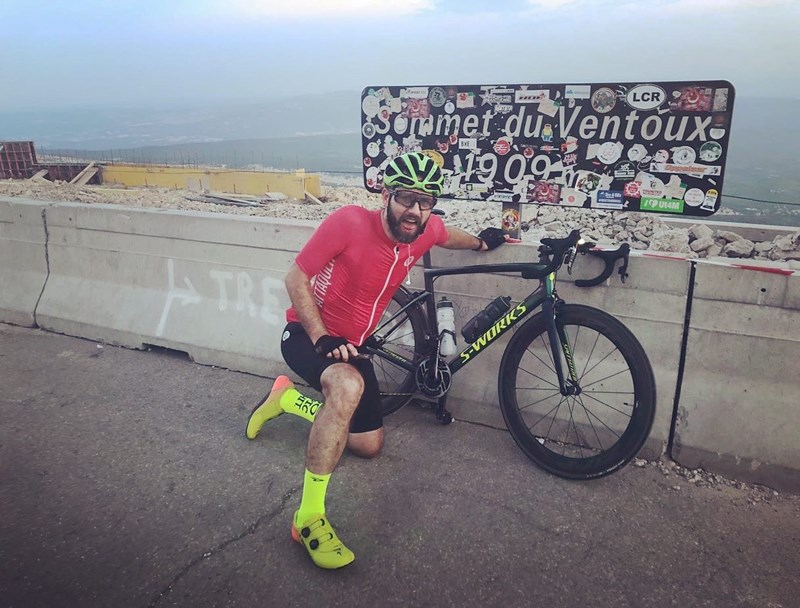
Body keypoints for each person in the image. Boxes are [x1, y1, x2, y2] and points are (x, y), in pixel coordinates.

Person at [245, 151, 509, 569]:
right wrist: (321, 336)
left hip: (354, 347)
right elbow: (296, 278)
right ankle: (308, 517)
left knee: (368, 445)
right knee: (346, 385)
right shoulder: (349, 222)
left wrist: (482, 242)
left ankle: (287, 400)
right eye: (406, 198)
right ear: (386, 196)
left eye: (425, 201)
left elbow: (447, 235)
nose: (415, 210)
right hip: (308, 336)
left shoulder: (424, 229)